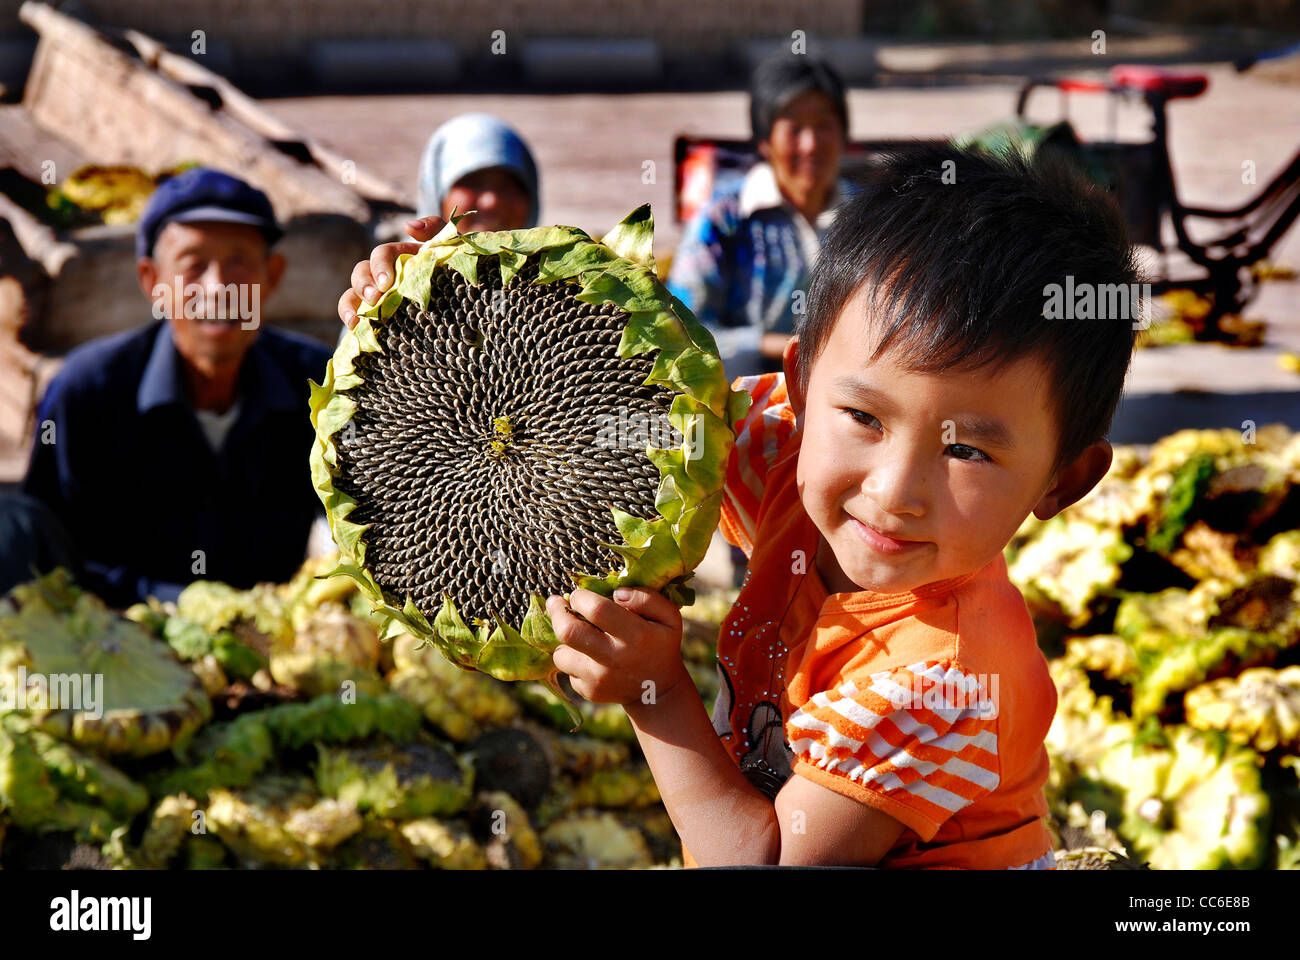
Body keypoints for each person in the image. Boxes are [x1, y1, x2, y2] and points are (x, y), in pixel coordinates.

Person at [542, 143, 1137, 868]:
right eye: (865, 418)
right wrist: (428, 302)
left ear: (1063, 481)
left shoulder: (943, 679)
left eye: (967, 452)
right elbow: (607, 417)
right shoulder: (782, 446)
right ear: (799, 385)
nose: (891, 492)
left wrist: (654, 691)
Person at [22, 167, 332, 607]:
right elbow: (45, 556)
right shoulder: (88, 391)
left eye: (240, 261)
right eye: (193, 264)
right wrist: (180, 608)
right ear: (153, 282)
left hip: (277, 651)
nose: (219, 287)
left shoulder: (319, 386)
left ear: (273, 276)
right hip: (118, 648)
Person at [666, 55, 853, 382]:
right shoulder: (724, 218)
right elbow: (680, 329)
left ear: (843, 135)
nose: (810, 145)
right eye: (794, 127)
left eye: (824, 125)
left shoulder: (868, 217)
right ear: (765, 141)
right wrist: (776, 347)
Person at [338, 113, 539, 329]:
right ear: (437, 191)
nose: (492, 201)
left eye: (509, 185)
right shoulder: (402, 279)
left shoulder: (560, 284)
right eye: (471, 182)